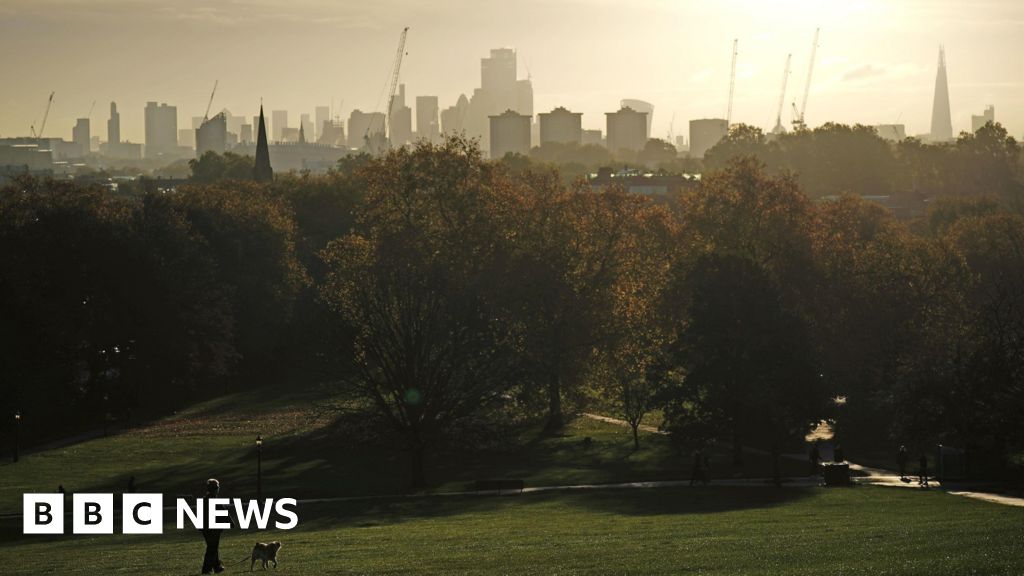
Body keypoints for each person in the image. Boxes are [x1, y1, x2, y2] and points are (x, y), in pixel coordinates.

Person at [201, 478, 225, 574]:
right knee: (212, 548)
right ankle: (206, 569)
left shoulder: (206, 499)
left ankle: (217, 566)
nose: (218, 489)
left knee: (213, 547)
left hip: (207, 529)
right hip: (212, 529)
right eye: (217, 488)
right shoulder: (212, 500)